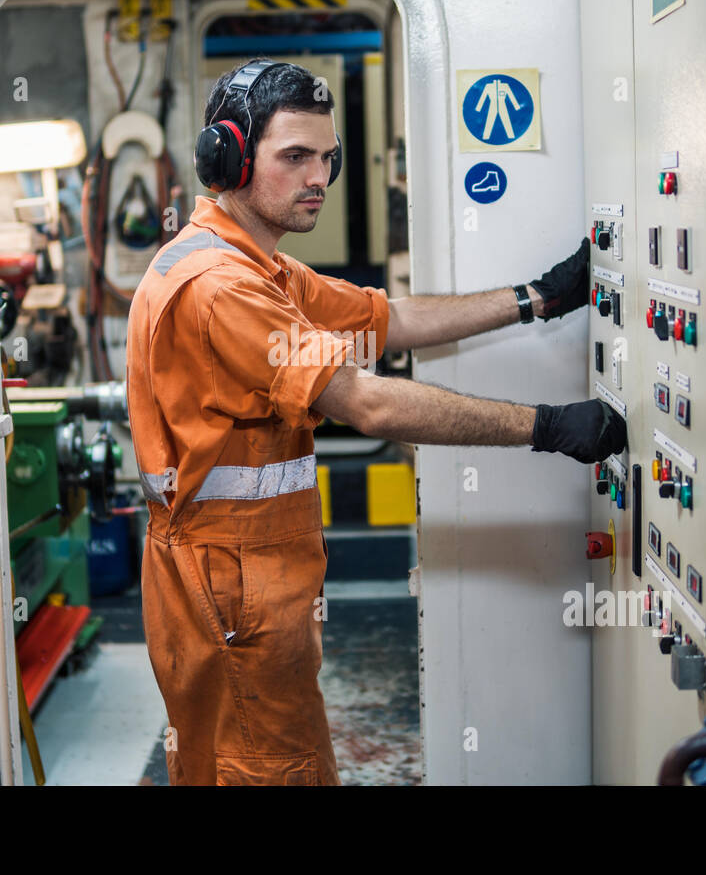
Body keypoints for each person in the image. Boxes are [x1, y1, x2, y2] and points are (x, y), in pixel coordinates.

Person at [125, 59, 624, 786]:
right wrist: (548, 427)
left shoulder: (258, 263)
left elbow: (389, 320)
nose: (318, 177)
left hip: (246, 574)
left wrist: (539, 297)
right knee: (268, 769)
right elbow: (370, 402)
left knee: (241, 761)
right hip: (227, 580)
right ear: (227, 158)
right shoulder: (221, 287)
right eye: (294, 157)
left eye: (326, 157)